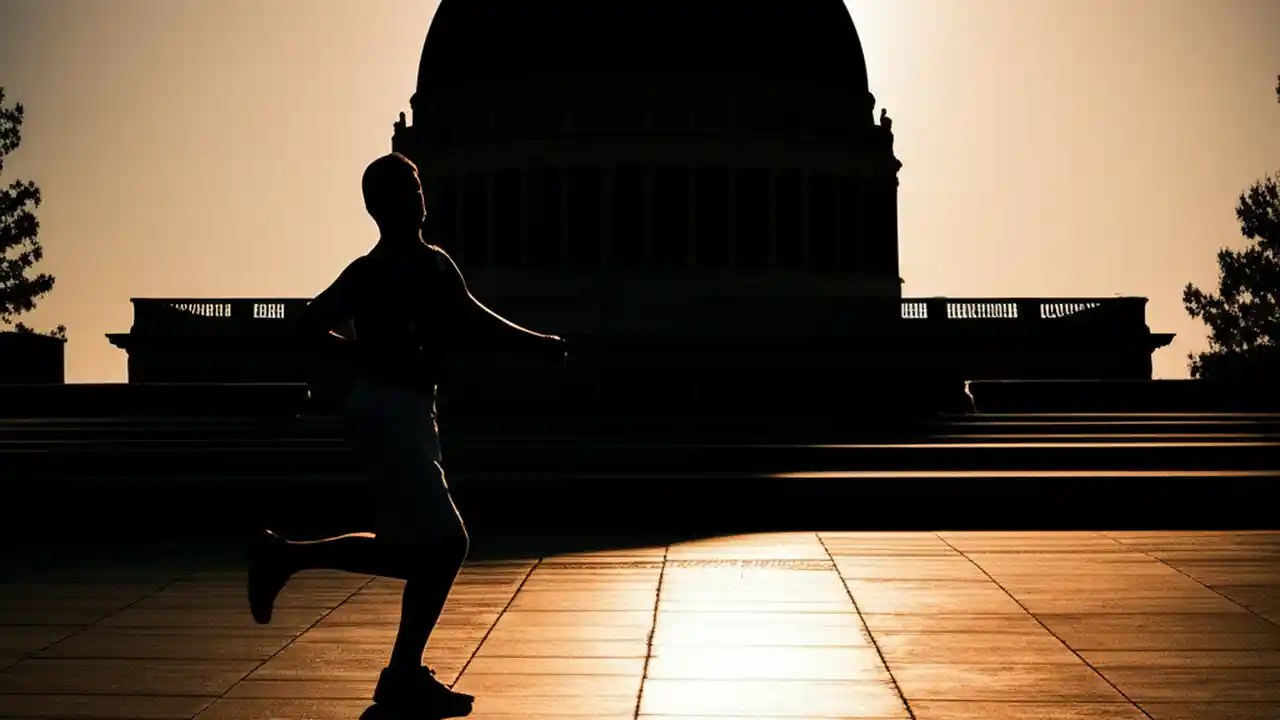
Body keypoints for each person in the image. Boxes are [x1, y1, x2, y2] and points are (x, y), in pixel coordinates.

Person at [246, 152, 566, 718]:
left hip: (386, 410)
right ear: (386, 204)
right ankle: (394, 667)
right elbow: (474, 321)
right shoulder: (426, 266)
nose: (421, 195)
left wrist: (367, 357)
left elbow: (309, 326)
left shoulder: (368, 272)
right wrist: (538, 343)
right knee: (446, 543)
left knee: (417, 548)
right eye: (410, 187)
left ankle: (296, 567)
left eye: (417, 185)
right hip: (395, 413)